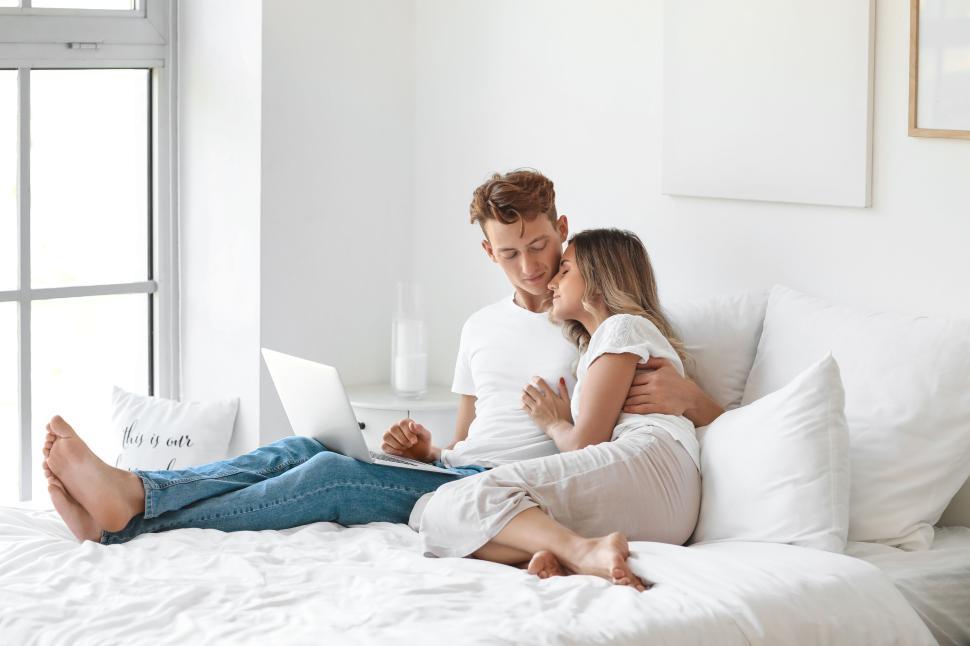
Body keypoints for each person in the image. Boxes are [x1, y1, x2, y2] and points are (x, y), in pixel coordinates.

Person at [41, 169, 722, 550]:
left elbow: (659, 417)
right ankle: (137, 494)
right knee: (305, 445)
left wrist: (695, 400)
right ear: (488, 253)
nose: (534, 267)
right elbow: (464, 438)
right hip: (459, 469)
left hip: (507, 489)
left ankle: (136, 519)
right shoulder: (481, 327)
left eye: (543, 247)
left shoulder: (594, 325)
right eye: (511, 253)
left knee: (335, 475)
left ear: (562, 233)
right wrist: (429, 450)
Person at [413, 228, 701, 591]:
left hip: (651, 468)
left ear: (598, 280)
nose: (552, 283)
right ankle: (565, 555)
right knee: (432, 514)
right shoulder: (609, 343)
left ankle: (581, 552)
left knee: (450, 502)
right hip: (663, 503)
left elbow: (584, 445)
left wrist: (554, 423)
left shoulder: (622, 328)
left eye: (565, 270)